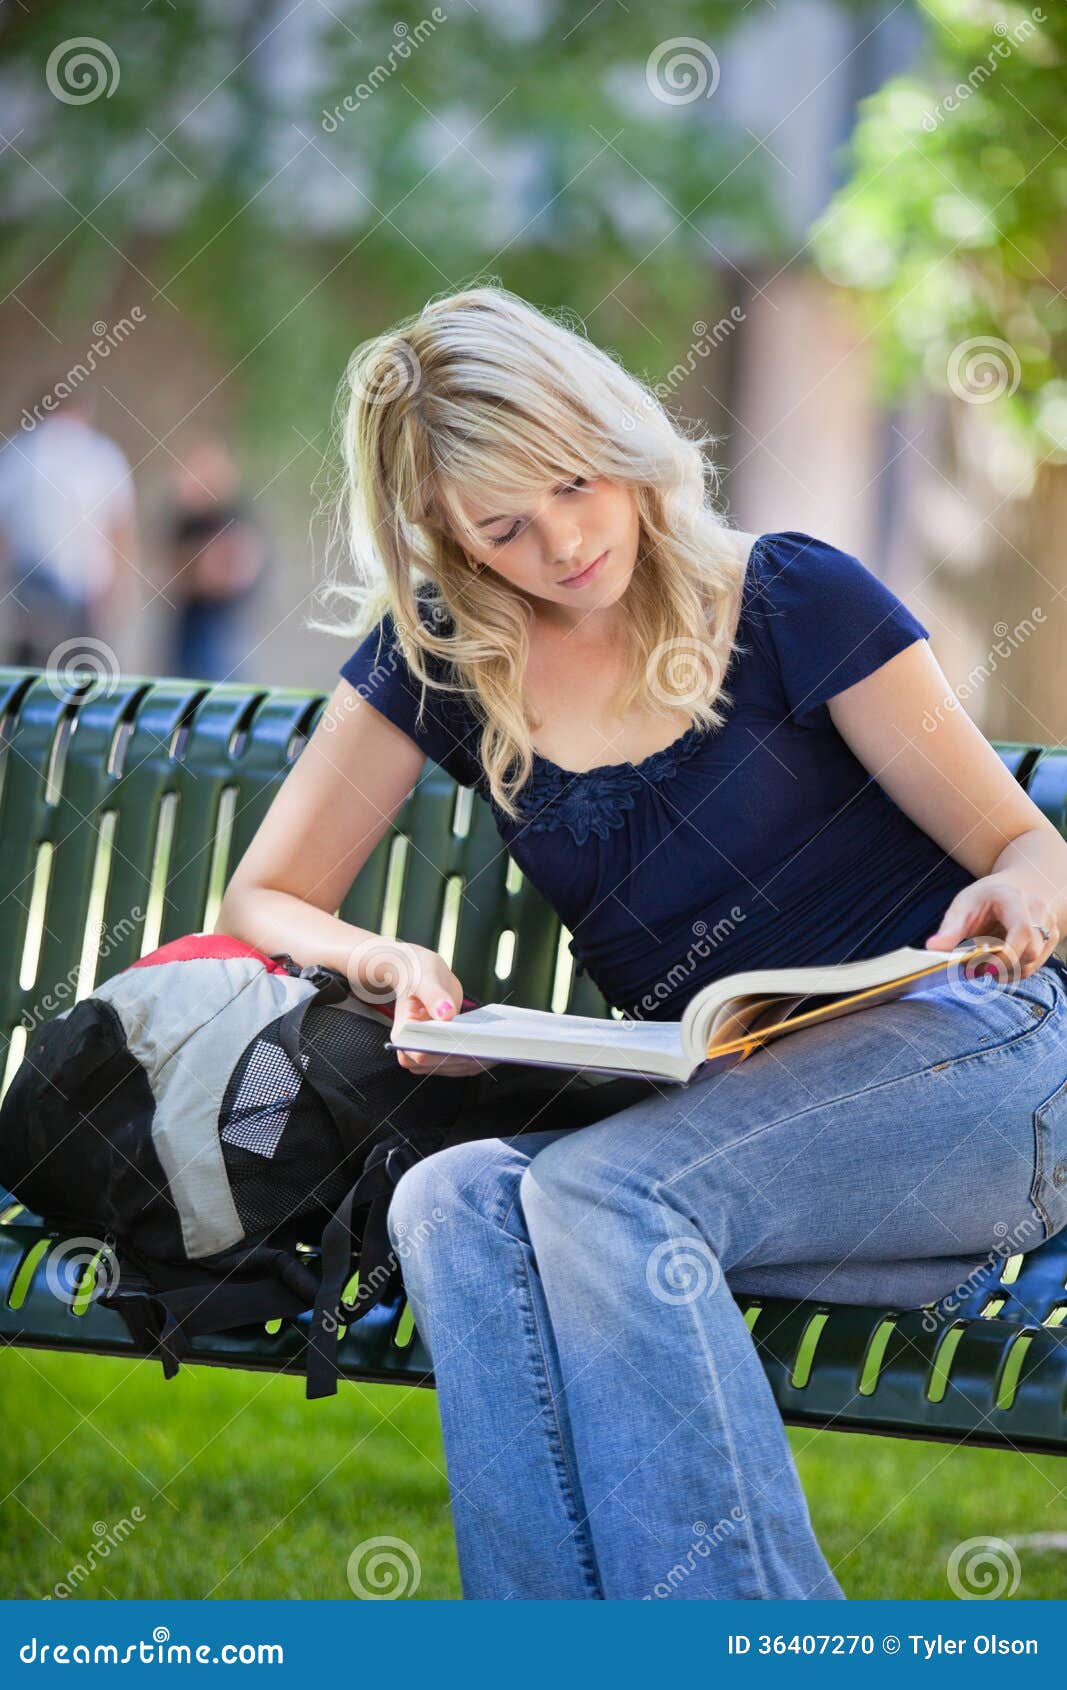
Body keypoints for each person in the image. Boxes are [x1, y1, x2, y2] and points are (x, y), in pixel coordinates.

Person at [218, 284, 1067, 1601]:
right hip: (738, 1132)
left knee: (594, 1194)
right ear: (441, 535)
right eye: (502, 524)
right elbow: (263, 896)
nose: (560, 541)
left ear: (615, 438)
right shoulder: (445, 658)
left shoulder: (788, 597)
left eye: (573, 482)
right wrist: (385, 965)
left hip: (976, 1070)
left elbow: (1027, 846)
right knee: (451, 1201)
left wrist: (1019, 896)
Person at [0, 388, 138, 667]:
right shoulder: (101, 454)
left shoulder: (18, 453)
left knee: (40, 673)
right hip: (58, 586)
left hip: (61, 588)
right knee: (77, 672)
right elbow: (120, 527)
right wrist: (119, 586)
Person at [160, 436, 266, 680]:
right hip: (185, 629)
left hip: (221, 632)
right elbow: (172, 570)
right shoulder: (186, 519)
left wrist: (199, 566)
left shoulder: (234, 514)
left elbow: (225, 574)